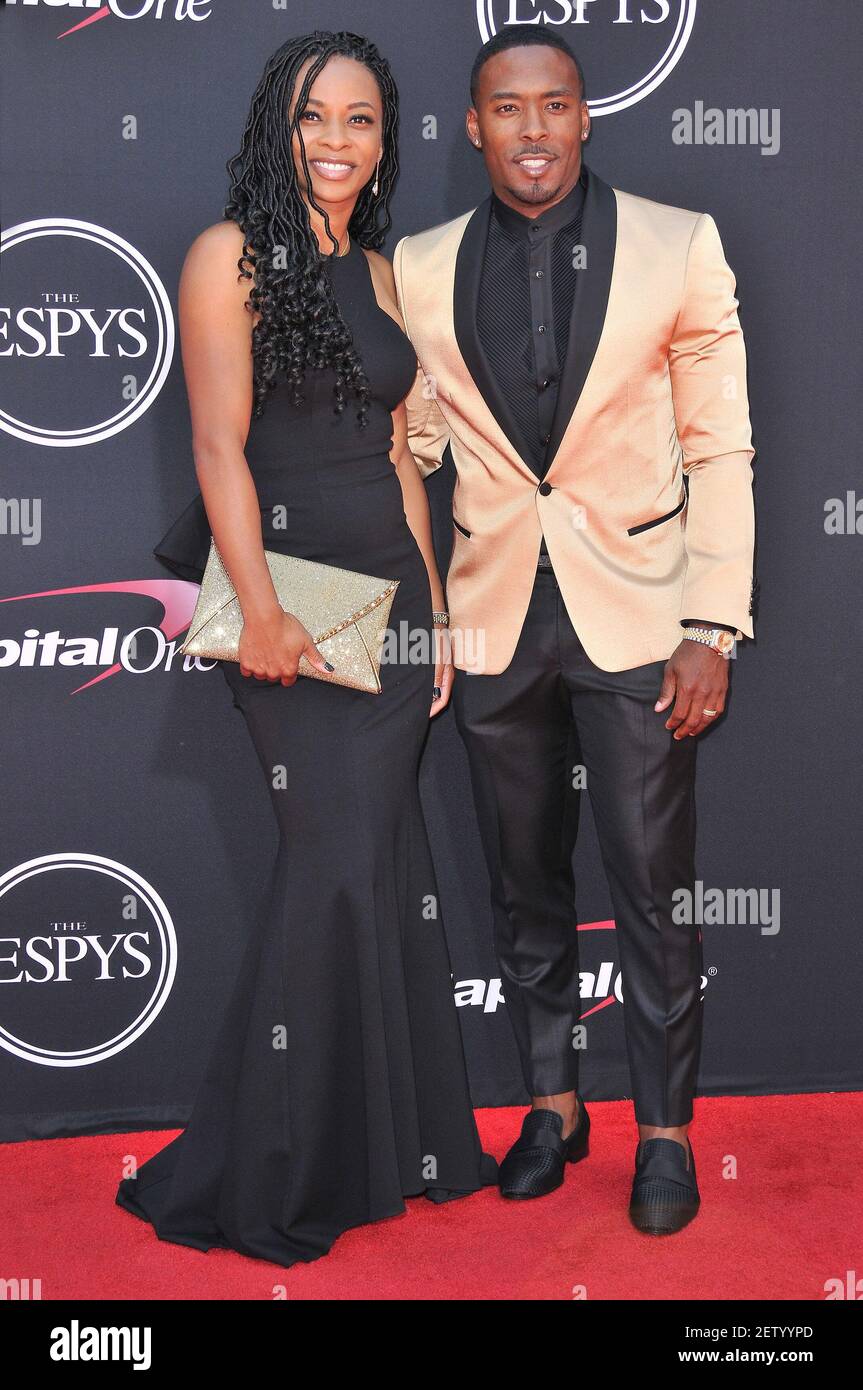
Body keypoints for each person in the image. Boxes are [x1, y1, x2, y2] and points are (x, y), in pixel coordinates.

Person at [116, 30, 496, 1270]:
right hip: (290, 600)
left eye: (362, 122)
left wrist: (431, 612)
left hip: (385, 601)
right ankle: (269, 1176)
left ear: (387, 142)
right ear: (275, 129)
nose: (337, 142)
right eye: (314, 118)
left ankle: (389, 1152)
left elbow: (396, 456)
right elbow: (217, 448)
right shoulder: (227, 255)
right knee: (330, 868)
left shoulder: (375, 272)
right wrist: (263, 607)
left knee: (378, 869)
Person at [393, 28, 756, 1235]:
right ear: (471, 126)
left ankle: (663, 1132)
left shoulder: (676, 242)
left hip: (642, 615)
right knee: (520, 886)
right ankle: (552, 1103)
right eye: (507, 108)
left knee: (652, 887)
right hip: (495, 624)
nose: (533, 129)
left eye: (554, 105)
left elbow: (719, 447)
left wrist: (712, 621)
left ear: (586, 116)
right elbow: (417, 449)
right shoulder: (422, 263)